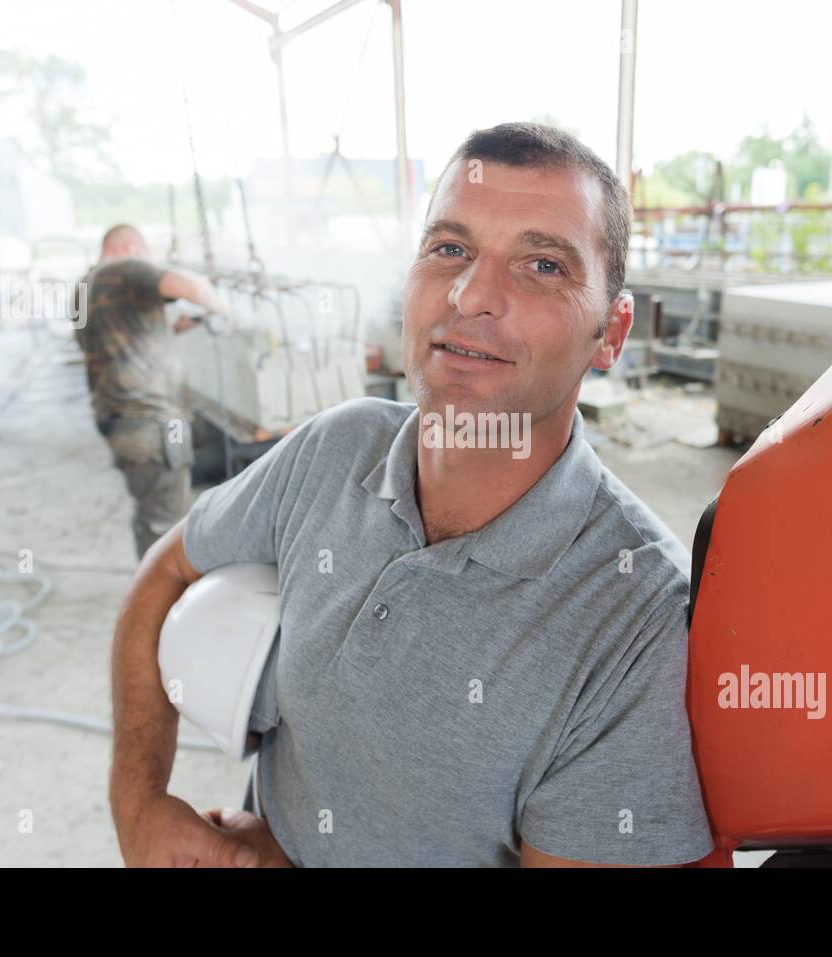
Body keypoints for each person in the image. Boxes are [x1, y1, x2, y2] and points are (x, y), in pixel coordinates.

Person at [108, 123, 715, 867]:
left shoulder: (633, 617)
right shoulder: (334, 448)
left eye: (543, 265)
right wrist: (138, 805)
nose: (470, 295)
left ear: (610, 334)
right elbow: (164, 572)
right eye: (450, 249)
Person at [73, 225, 225, 557]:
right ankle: (163, 605)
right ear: (130, 247)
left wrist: (175, 329)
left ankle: (151, 596)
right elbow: (187, 288)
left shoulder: (84, 287)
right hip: (152, 421)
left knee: (152, 519)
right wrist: (216, 302)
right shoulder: (125, 267)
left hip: (118, 419)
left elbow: (116, 343)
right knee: (169, 529)